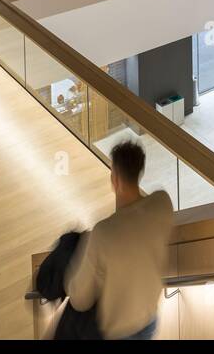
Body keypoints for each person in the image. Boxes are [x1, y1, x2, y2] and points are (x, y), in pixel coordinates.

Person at [64, 141, 173, 339]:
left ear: (115, 178)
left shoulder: (104, 233)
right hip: (149, 319)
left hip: (120, 332)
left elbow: (80, 299)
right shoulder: (162, 204)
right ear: (140, 170)